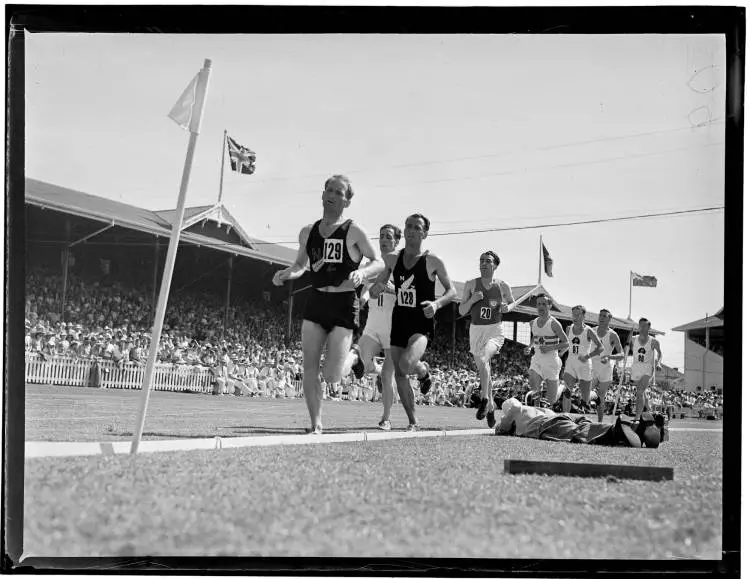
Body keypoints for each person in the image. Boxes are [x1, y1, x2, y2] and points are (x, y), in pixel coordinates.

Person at [272, 175, 384, 434]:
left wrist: (362, 274)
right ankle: (316, 424)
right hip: (317, 300)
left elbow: (377, 262)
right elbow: (301, 265)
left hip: (344, 302)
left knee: (333, 375)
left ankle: (355, 358)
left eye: (339, 192)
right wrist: (287, 273)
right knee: (309, 367)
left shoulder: (353, 230)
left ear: (347, 201)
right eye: (329, 190)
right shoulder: (307, 232)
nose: (333, 194)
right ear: (323, 195)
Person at [370, 213, 457, 431]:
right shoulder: (392, 259)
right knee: (399, 374)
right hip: (399, 320)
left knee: (406, 365)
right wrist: (376, 288)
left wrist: (436, 305)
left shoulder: (432, 261)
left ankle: (423, 370)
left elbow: (452, 291)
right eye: (408, 226)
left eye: (417, 227)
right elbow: (374, 290)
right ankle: (413, 421)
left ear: (425, 233)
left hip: (421, 322)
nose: (411, 230)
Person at [458, 250, 514, 428]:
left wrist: (507, 307)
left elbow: (511, 303)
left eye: (488, 261)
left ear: (495, 265)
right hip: (476, 330)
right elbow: (461, 311)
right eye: (481, 260)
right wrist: (473, 299)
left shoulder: (503, 286)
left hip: (494, 330)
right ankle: (490, 407)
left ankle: (483, 399)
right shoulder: (470, 284)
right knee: (484, 367)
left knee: (485, 358)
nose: (483, 263)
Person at [357, 224, 402, 431]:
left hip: (393, 330)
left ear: (396, 241)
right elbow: (366, 287)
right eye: (382, 236)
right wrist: (364, 298)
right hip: (372, 326)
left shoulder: (403, 266)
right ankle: (374, 368)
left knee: (388, 376)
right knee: (363, 361)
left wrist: (390, 286)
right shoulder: (372, 264)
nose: (384, 240)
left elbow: (410, 295)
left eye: (389, 237)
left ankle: (386, 418)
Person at [524, 294, 568, 407]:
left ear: (549, 306)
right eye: (538, 304)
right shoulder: (532, 323)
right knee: (534, 387)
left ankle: (562, 387)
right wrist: (529, 346)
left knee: (552, 400)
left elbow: (567, 343)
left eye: (544, 304)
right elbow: (536, 336)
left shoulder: (554, 323)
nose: (541, 306)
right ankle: (536, 412)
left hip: (551, 362)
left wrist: (550, 348)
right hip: (537, 360)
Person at [561, 305, 603, 414]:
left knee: (585, 399)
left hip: (584, 364)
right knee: (567, 391)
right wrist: (560, 353)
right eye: (573, 315)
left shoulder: (588, 331)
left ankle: (594, 395)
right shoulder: (568, 328)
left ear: (583, 316)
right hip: (570, 363)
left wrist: (587, 356)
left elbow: (600, 347)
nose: (575, 317)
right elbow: (567, 344)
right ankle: (566, 417)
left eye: (578, 315)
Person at [590, 308, 625, 422]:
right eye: (600, 315)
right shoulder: (591, 331)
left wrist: (609, 357)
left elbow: (621, 354)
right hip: (592, 367)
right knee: (587, 392)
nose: (601, 318)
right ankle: (592, 398)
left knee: (601, 395)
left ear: (609, 319)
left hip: (605, 368)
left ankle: (600, 422)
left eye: (604, 316)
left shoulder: (612, 335)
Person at [629, 317, 663, 419]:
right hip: (636, 368)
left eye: (644, 326)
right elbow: (631, 351)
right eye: (640, 325)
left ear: (649, 327)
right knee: (641, 391)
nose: (642, 327)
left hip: (647, 368)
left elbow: (660, 354)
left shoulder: (654, 341)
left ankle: (637, 417)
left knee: (639, 392)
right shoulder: (633, 339)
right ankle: (648, 408)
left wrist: (659, 363)